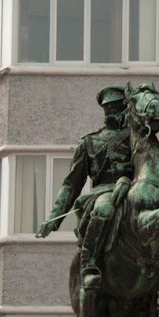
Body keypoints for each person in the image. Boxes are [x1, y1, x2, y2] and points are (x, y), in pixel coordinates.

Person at [38, 84, 134, 294]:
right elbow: (71, 184)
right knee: (104, 209)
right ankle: (89, 263)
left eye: (117, 107)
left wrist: (128, 180)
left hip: (134, 188)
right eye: (109, 108)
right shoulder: (89, 142)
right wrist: (53, 219)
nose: (112, 112)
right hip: (102, 192)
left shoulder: (136, 138)